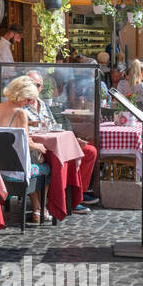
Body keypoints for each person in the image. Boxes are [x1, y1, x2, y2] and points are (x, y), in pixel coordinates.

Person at [26, 70, 99, 211]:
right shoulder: (21, 107)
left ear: (41, 88)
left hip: (53, 144)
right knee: (61, 158)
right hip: (38, 148)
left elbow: (54, 127)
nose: (32, 88)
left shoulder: (44, 105)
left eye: (36, 85)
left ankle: (78, 194)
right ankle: (61, 200)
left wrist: (73, 140)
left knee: (90, 151)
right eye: (29, 84)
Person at [0, 76, 51, 224]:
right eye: (28, 99)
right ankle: (41, 208)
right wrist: (40, 146)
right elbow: (25, 142)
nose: (28, 103)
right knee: (47, 168)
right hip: (18, 172)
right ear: (21, 95)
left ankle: (37, 209)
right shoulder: (20, 113)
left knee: (34, 160)